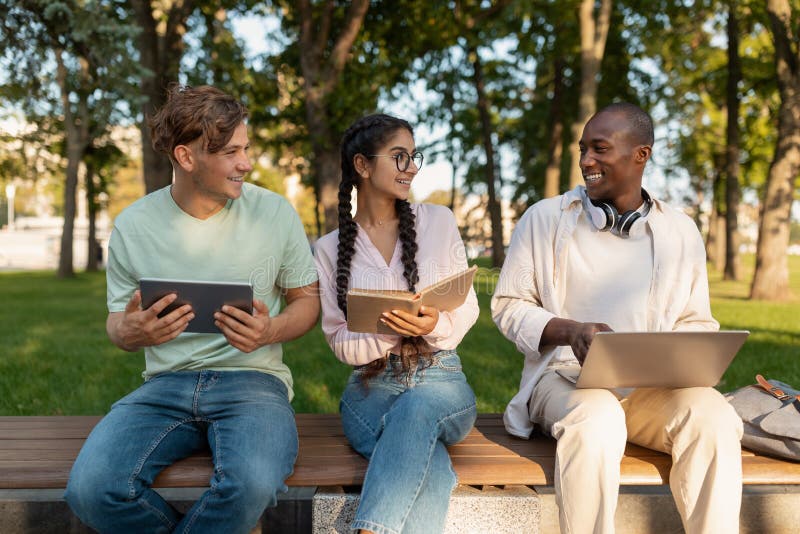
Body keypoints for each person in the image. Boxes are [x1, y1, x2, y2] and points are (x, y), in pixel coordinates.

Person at [64, 85, 320, 533]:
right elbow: (116, 324)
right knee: (90, 489)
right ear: (186, 157)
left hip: (253, 384)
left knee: (252, 484)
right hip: (164, 388)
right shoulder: (134, 225)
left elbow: (307, 301)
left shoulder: (275, 213)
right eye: (231, 152)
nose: (247, 163)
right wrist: (132, 332)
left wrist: (270, 330)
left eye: (247, 149)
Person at [492, 102, 743, 534]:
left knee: (715, 417)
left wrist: (688, 356)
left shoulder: (681, 230)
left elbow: (696, 321)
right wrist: (572, 331)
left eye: (600, 149)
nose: (587, 160)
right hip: (564, 380)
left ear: (640, 155)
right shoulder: (545, 218)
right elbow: (509, 305)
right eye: (583, 149)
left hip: (652, 389)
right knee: (597, 420)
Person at [314, 113, 479, 534]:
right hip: (370, 390)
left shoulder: (437, 222)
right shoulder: (330, 249)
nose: (410, 168)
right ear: (362, 165)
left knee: (418, 407)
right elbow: (338, 340)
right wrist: (392, 327)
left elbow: (468, 308)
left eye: (413, 157)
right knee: (432, 467)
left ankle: (368, 530)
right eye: (398, 157)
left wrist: (433, 323)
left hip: (441, 381)